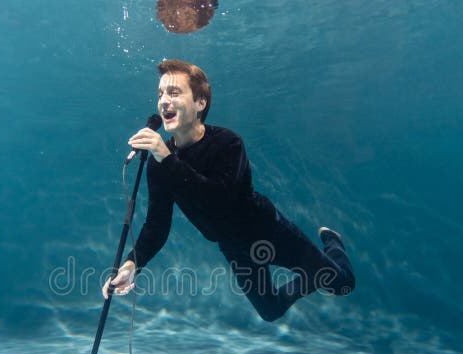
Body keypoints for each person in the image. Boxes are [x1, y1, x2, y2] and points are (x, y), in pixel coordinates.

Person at [102, 59, 355, 321]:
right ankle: (313, 274)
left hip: (267, 231)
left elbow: (220, 200)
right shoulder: (160, 162)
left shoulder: (227, 143)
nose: (164, 100)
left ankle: (333, 244)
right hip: (233, 246)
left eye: (174, 92)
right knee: (270, 310)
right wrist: (132, 264)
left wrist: (167, 159)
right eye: (160, 94)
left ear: (200, 103)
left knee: (343, 284)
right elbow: (157, 225)